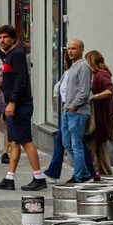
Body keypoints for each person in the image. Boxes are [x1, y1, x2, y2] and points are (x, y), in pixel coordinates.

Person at [0, 25, 47, 191]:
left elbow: (22, 80)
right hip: (14, 103)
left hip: (19, 105)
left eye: (5, 37)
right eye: (0, 37)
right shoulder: (8, 56)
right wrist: (0, 81)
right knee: (14, 142)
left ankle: (39, 178)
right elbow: (11, 81)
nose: (2, 40)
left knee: (25, 141)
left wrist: (12, 102)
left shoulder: (16, 55)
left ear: (13, 39)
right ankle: (9, 178)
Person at [62, 39, 95, 184]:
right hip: (68, 110)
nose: (70, 51)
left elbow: (84, 91)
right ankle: (85, 173)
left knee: (76, 145)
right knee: (67, 143)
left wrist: (73, 106)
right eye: (68, 48)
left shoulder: (83, 67)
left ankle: (77, 176)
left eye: (73, 48)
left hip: (78, 111)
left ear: (81, 50)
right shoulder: (73, 66)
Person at [86, 50, 113, 177]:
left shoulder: (100, 75)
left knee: (97, 147)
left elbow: (110, 89)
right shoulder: (100, 74)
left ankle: (101, 173)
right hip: (101, 117)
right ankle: (101, 172)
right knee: (99, 147)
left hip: (100, 117)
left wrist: (94, 96)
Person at [44, 49, 72, 181]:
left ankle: (86, 172)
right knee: (62, 141)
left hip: (71, 110)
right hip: (67, 110)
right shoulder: (67, 73)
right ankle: (52, 172)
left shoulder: (71, 73)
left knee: (74, 144)